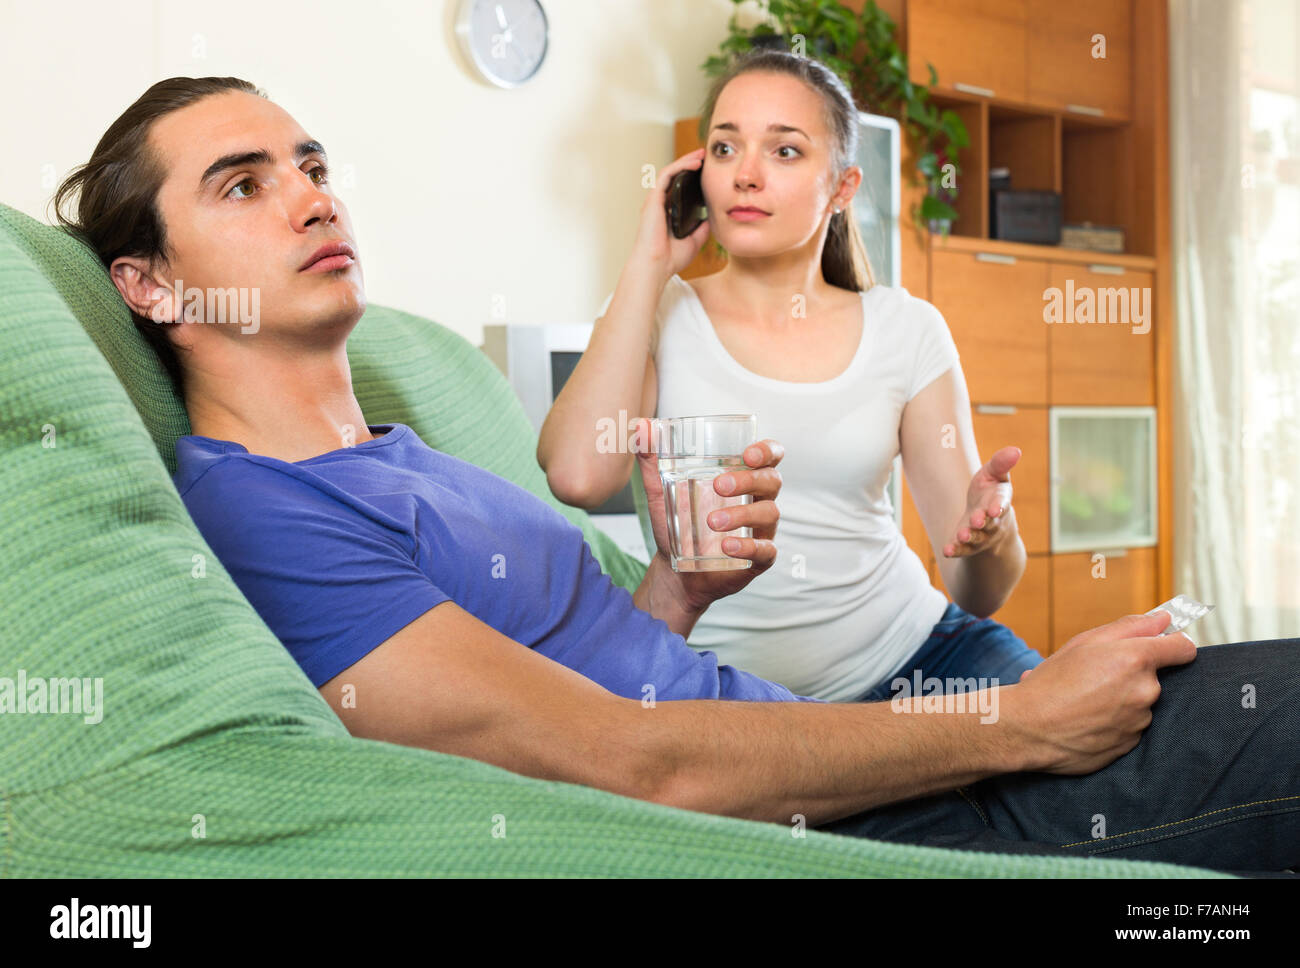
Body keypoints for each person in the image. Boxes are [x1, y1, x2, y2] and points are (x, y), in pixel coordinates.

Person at [52, 76, 1298, 874]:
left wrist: (676, 597)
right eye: (244, 184)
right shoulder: (260, 506)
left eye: (311, 163)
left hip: (841, 731)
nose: (310, 198)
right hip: (827, 809)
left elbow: (586, 662)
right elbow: (630, 763)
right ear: (151, 286)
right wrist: (1018, 726)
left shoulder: (396, 450)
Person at [538, 49, 1039, 705]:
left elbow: (978, 590)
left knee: (1102, 744)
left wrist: (992, 536)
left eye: (784, 151)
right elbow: (579, 474)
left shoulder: (907, 328)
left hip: (921, 653)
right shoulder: (658, 316)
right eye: (724, 148)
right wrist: (648, 261)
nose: (745, 175)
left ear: (842, 188)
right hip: (730, 695)